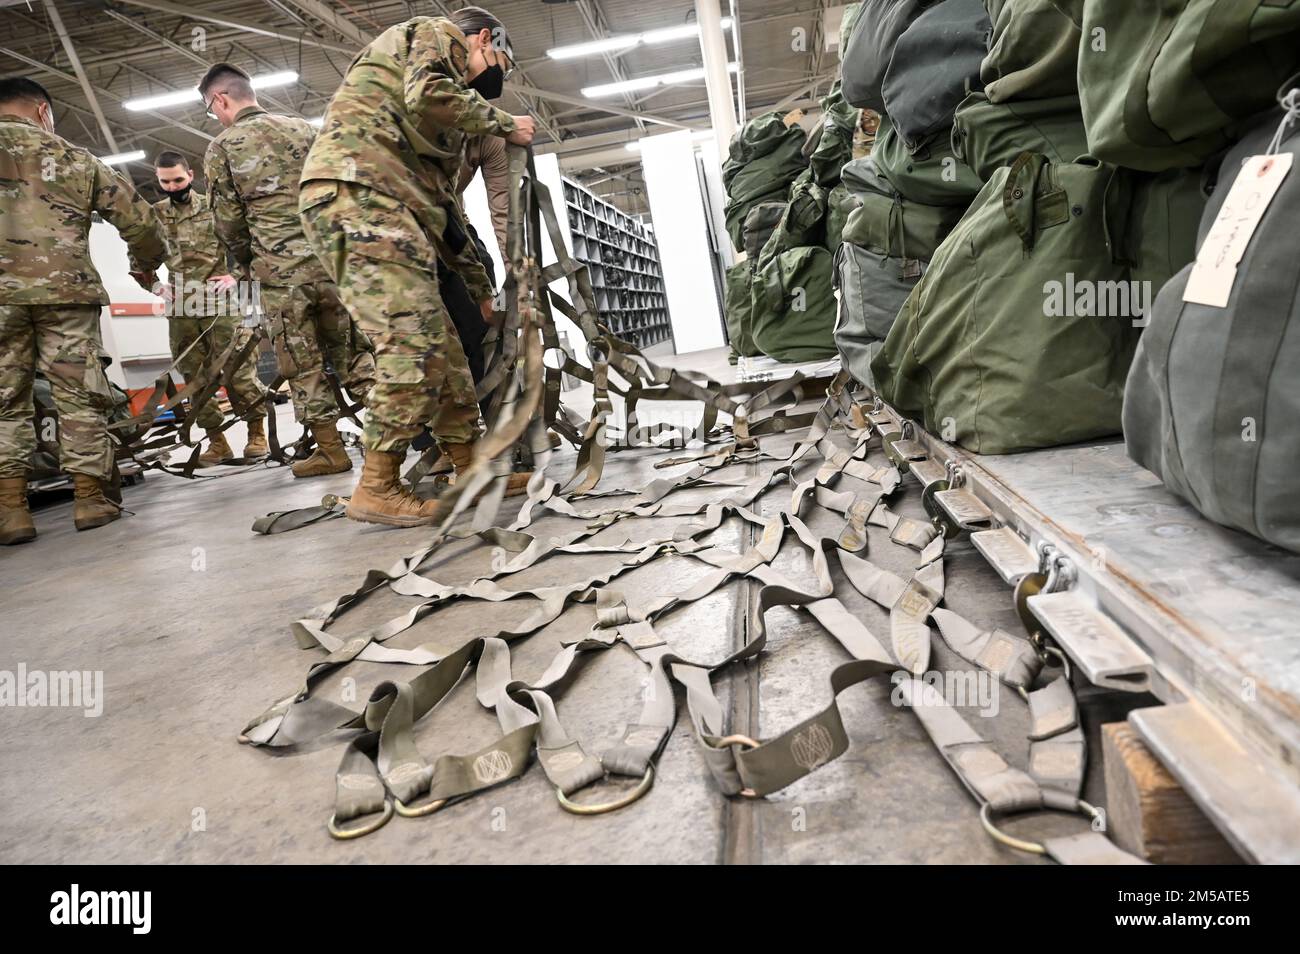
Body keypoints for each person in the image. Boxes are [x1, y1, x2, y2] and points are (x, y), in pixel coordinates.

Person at [299, 6, 535, 526]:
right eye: (494, 62)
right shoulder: (436, 33)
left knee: (447, 351)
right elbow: (429, 91)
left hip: (389, 206)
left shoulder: (431, 134)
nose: (487, 82)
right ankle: (377, 486)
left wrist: (479, 287)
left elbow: (445, 209)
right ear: (480, 40)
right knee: (413, 346)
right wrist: (503, 123)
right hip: (355, 195)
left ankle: (470, 468)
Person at [0, 78, 167, 545]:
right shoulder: (74, 158)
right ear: (42, 111)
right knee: (78, 395)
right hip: (67, 294)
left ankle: (11, 511)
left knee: (4, 402)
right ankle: (90, 499)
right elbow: (141, 222)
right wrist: (144, 268)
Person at [199, 63, 376, 478]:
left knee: (303, 363)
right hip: (331, 267)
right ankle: (410, 438)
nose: (216, 116)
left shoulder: (222, 147)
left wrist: (245, 267)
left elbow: (228, 224)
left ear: (221, 99)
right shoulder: (304, 129)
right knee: (355, 354)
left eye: (212, 109)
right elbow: (339, 192)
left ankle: (332, 451)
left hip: (281, 278)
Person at [152, 151, 268, 464]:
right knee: (194, 379)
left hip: (221, 303)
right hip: (182, 307)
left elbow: (247, 243)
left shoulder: (214, 207)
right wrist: (155, 285)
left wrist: (236, 276)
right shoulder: (154, 215)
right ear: (158, 181)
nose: (173, 187)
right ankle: (217, 443)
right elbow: (139, 257)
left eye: (178, 179)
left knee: (238, 371)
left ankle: (257, 434)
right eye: (166, 182)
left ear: (190, 175)